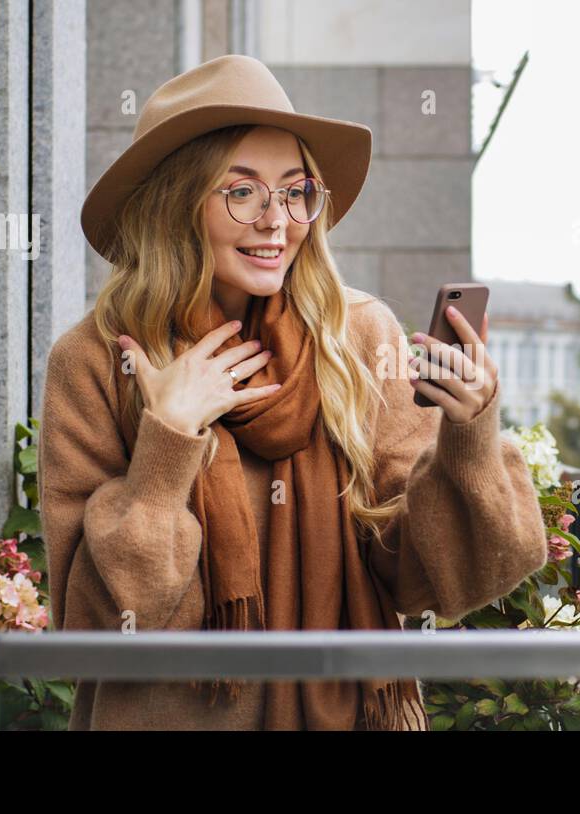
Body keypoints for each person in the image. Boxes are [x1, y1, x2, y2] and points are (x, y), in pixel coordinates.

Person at [38, 54, 547, 730]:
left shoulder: (358, 335)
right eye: (242, 191)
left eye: (297, 190)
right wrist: (166, 447)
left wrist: (469, 439)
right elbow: (97, 634)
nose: (277, 220)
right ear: (176, 203)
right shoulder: (97, 361)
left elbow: (431, 582)